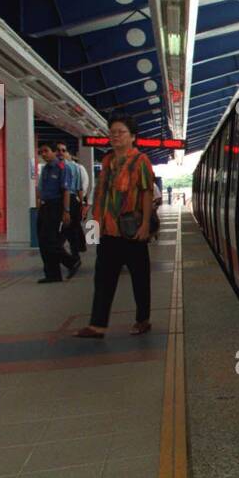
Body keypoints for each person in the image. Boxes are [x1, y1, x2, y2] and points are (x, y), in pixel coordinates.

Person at [75, 116, 154, 338]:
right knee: (102, 278)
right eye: (113, 132)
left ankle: (142, 320)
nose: (115, 135)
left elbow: (147, 193)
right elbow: (100, 195)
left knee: (140, 278)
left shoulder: (141, 160)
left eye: (121, 132)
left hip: (131, 231)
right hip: (108, 231)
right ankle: (97, 325)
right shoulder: (108, 161)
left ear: (133, 136)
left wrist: (146, 224)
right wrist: (94, 227)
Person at [35, 144, 79, 282]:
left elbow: (66, 190)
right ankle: (52, 274)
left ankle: (71, 262)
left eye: (46, 151)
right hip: (45, 206)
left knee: (50, 240)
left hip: (56, 206)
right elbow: (41, 189)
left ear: (53, 152)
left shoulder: (62, 167)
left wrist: (66, 211)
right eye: (41, 152)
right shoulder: (46, 169)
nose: (43, 154)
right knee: (42, 242)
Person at [56, 142, 87, 257]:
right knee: (67, 230)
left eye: (63, 150)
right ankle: (72, 254)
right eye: (58, 150)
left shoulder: (74, 167)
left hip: (72, 200)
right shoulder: (52, 167)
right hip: (57, 201)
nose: (61, 153)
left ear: (67, 153)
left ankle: (74, 255)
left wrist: (82, 203)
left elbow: (79, 187)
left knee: (70, 228)